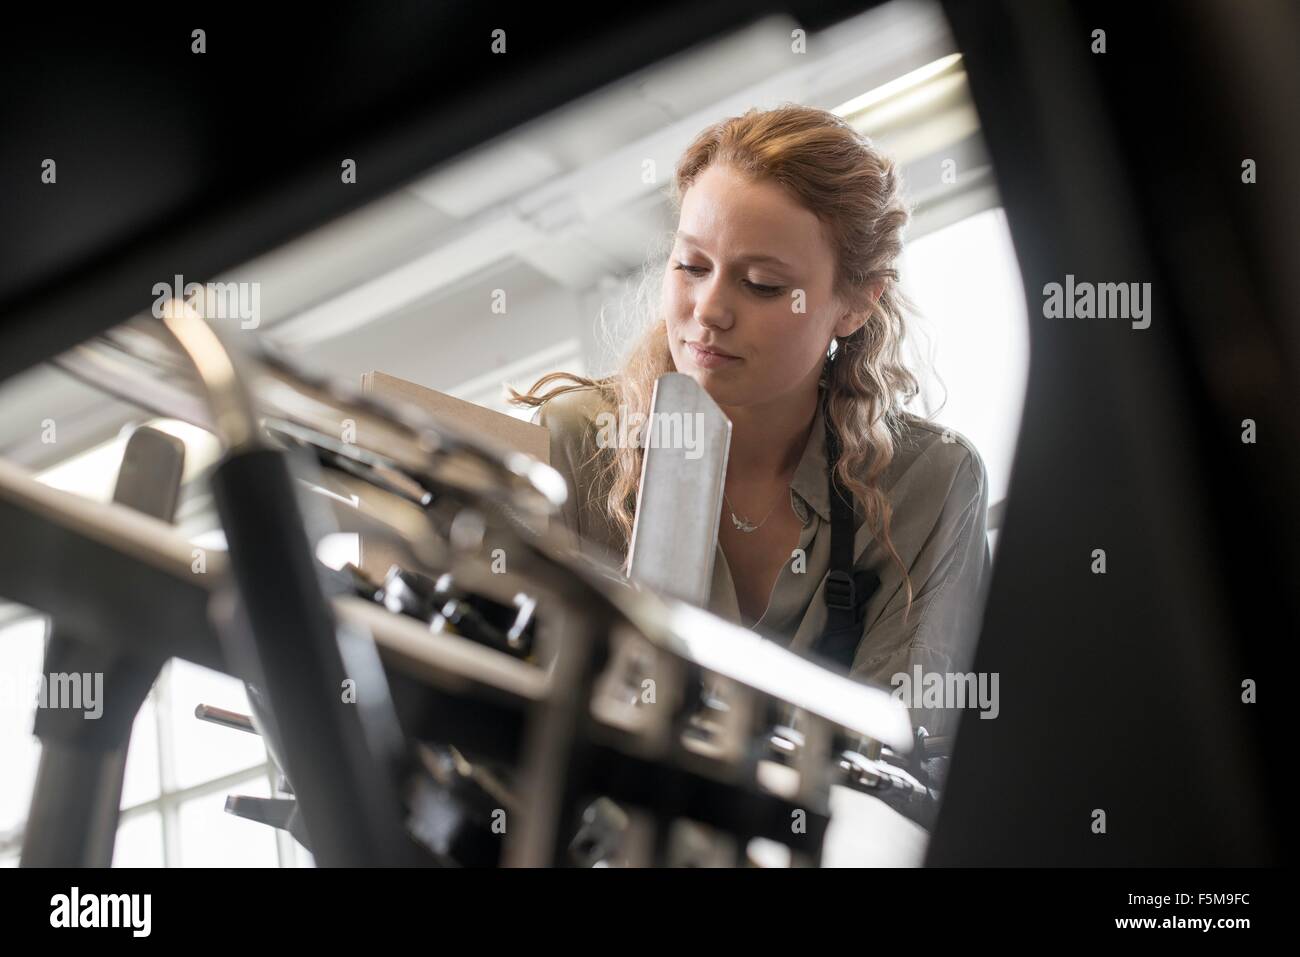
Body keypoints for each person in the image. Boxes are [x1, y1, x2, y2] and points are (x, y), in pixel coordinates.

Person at [511, 104, 991, 738]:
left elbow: (898, 755)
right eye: (691, 266)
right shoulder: (572, 442)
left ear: (855, 304)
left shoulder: (931, 485)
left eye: (762, 284)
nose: (709, 312)